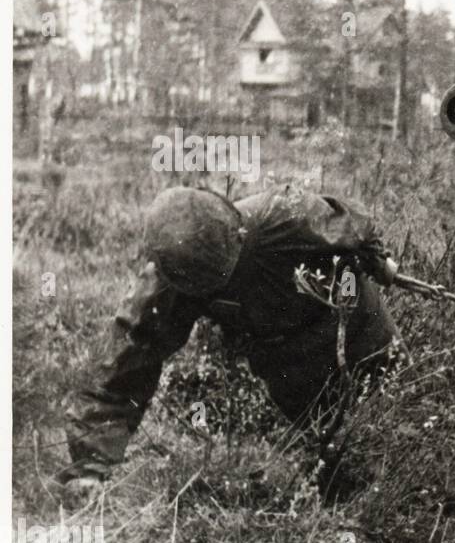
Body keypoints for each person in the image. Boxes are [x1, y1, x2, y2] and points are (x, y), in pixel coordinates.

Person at [60, 185, 400, 485]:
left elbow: (351, 224)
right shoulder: (174, 279)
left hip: (357, 328)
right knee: (337, 465)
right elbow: (127, 360)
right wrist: (91, 463)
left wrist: (375, 256)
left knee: (400, 429)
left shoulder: (281, 214)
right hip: (287, 365)